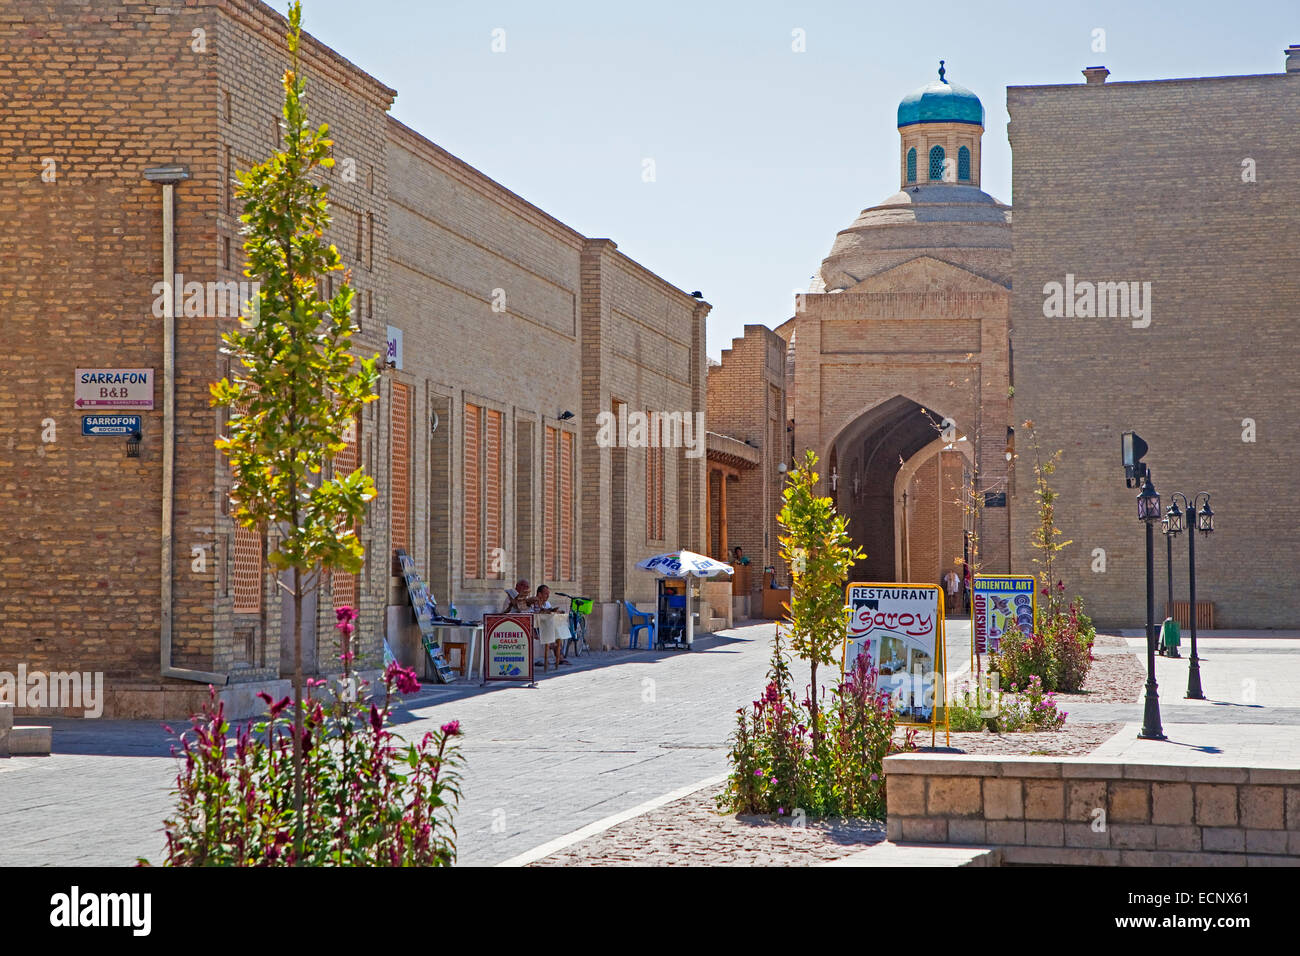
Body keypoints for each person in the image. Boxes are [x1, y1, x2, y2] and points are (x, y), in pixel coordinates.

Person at [534, 584, 570, 668]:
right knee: (554, 630)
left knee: (558, 629)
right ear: (539, 594)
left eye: (548, 594)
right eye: (546, 594)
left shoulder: (547, 603)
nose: (548, 596)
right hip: (537, 628)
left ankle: (559, 654)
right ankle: (556, 651)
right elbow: (535, 616)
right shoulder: (534, 603)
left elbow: (550, 614)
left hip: (547, 627)